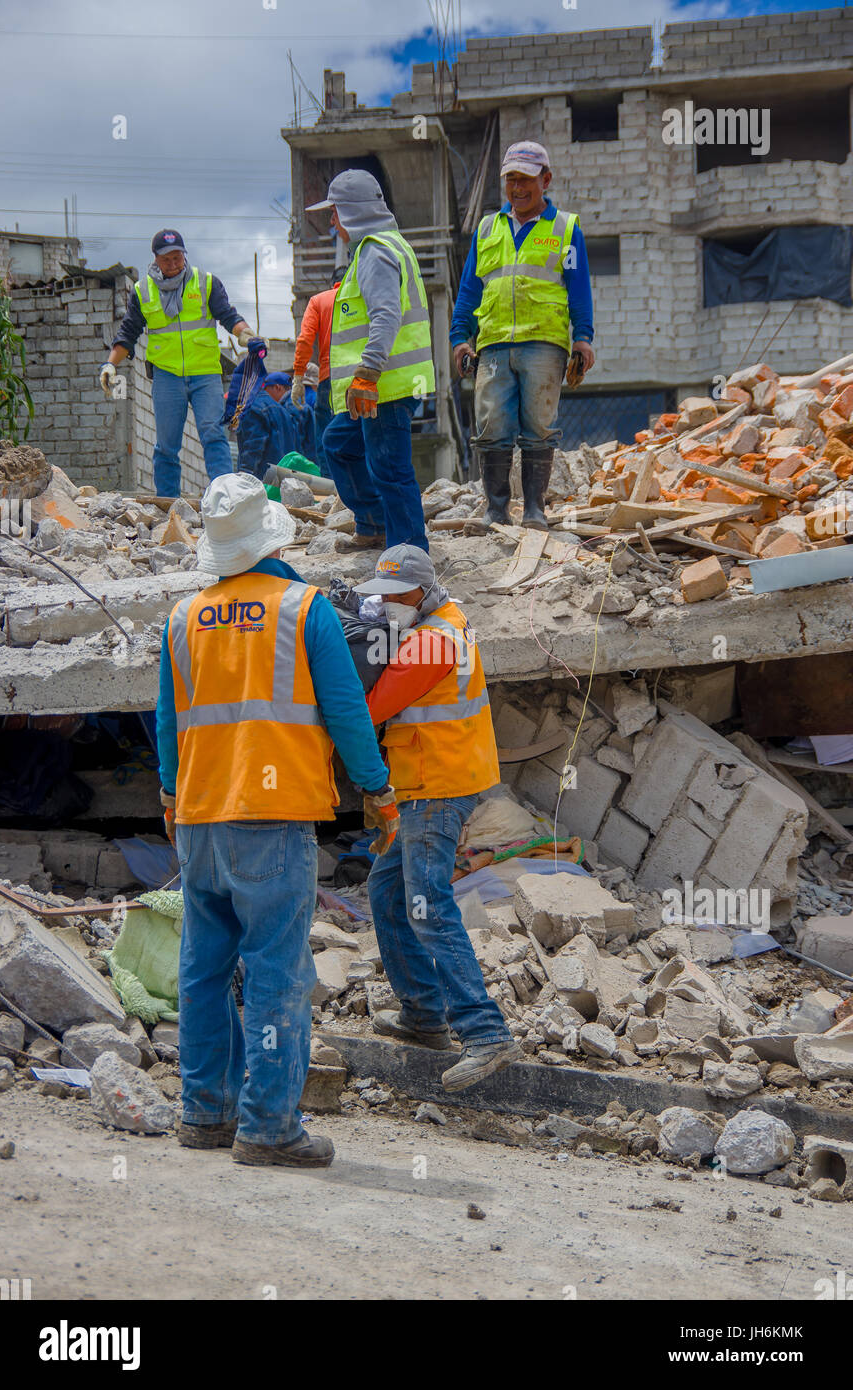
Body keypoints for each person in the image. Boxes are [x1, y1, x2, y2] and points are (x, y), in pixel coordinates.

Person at [156, 472, 398, 1167]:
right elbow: (349, 713)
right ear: (270, 538)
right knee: (274, 971)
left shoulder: (183, 619)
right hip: (272, 815)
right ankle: (267, 1127)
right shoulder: (304, 609)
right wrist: (377, 792)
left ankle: (205, 1113)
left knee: (203, 968)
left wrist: (173, 800)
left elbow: (169, 724)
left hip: (200, 817)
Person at [354, 544, 522, 1092]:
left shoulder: (429, 642)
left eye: (396, 597)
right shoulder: (447, 619)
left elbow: (372, 708)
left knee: (427, 906)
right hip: (430, 780)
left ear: (423, 593)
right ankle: (424, 1015)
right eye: (380, 597)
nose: (386, 606)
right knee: (386, 893)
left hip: (436, 786)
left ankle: (484, 1031)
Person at [450, 142, 595, 530]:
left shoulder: (565, 227)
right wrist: (459, 338)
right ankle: (496, 510)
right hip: (494, 343)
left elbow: (578, 287)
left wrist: (583, 337)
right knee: (491, 425)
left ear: (545, 180)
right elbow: (469, 290)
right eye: (511, 179)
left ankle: (534, 510)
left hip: (544, 344)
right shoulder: (486, 229)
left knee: (538, 427)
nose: (517, 187)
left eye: (526, 179)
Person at [307, 171, 433, 553]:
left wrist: (367, 374)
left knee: (390, 471)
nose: (332, 222)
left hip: (384, 386)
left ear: (351, 211)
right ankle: (375, 525)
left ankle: (409, 554)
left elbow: (385, 315)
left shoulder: (376, 252)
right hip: (377, 387)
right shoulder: (375, 248)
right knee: (339, 444)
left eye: (335, 213)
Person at [100, 229, 267, 497]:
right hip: (167, 376)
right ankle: (168, 504)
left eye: (178, 257)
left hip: (206, 374)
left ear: (184, 255)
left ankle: (226, 499)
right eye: (167, 259)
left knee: (214, 434)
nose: (174, 264)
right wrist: (110, 365)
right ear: (156, 258)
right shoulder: (144, 291)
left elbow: (228, 316)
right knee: (166, 445)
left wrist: (247, 335)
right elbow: (127, 333)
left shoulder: (205, 283)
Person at [291, 276, 342, 476]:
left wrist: (298, 376)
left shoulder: (320, 300)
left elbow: (305, 340)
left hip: (330, 376)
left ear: (332, 284)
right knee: (361, 433)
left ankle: (331, 487)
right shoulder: (364, 298)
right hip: (364, 377)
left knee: (326, 435)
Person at [236, 372, 300, 480]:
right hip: (281, 481)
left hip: (261, 480)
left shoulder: (254, 406)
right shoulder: (283, 411)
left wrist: (245, 473)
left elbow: (254, 443)